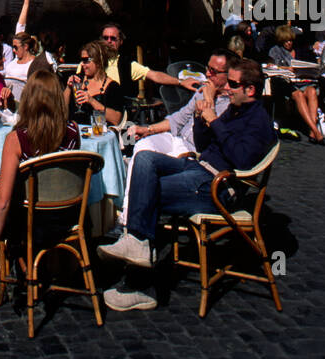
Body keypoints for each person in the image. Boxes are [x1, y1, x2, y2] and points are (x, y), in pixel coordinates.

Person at [103, 59, 275, 311]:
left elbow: (241, 158)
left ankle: (139, 285)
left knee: (147, 192)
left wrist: (214, 120)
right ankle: (138, 245)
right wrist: (201, 118)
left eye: (233, 84)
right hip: (199, 167)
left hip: (215, 186)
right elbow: (205, 146)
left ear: (250, 90)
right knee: (144, 158)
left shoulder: (258, 121)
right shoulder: (234, 109)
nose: (227, 88)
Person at [99, 51, 234, 256]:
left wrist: (210, 102)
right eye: (208, 68)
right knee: (142, 147)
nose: (207, 74)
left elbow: (211, 139)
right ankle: (128, 222)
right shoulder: (202, 91)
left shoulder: (231, 104)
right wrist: (149, 129)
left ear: (228, 75)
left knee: (148, 176)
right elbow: (178, 119)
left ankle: (133, 230)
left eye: (214, 71)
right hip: (177, 139)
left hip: (194, 153)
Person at [0, 70, 81, 283]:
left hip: (30, 219)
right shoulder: (73, 131)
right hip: (67, 215)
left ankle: (16, 265)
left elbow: (3, 201)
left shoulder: (17, 139)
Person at [269, 24, 324, 144]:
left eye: (290, 40)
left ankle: (311, 131)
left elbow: (310, 61)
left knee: (312, 91)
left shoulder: (300, 49)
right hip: (288, 84)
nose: (289, 43)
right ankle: (316, 131)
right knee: (299, 95)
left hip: (303, 81)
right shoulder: (275, 51)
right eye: (285, 41)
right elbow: (273, 66)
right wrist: (286, 68)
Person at [66, 41, 124, 126]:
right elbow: (61, 110)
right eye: (82, 60)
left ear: (98, 62)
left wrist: (92, 101)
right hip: (76, 132)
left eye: (86, 60)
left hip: (99, 134)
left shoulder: (113, 87)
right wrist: (68, 87)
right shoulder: (78, 80)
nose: (82, 64)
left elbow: (116, 119)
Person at [3, 31, 38, 102]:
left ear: (25, 46)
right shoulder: (12, 63)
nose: (13, 50)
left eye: (16, 47)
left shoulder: (34, 64)